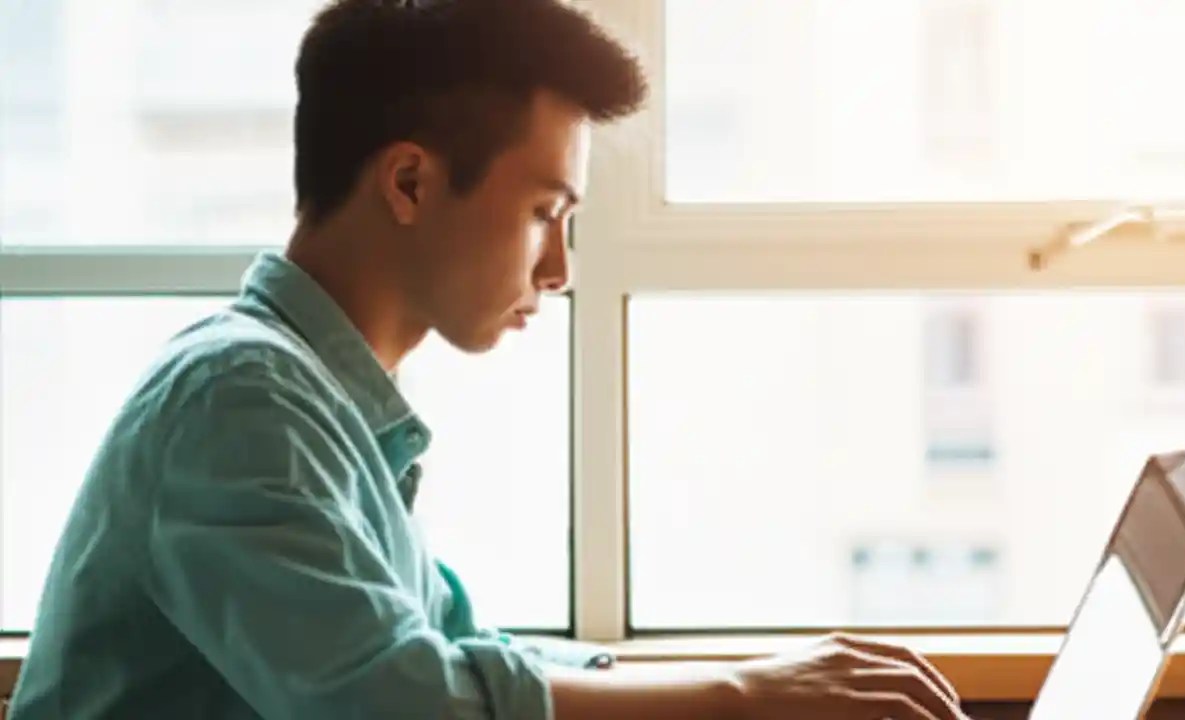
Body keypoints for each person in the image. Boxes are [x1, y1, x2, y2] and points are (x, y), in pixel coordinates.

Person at [9, 1, 968, 719]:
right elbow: (401, 702)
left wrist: (757, 684)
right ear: (410, 182)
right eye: (546, 213)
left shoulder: (325, 408)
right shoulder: (240, 402)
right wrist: (741, 696)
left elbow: (465, 653)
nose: (559, 271)